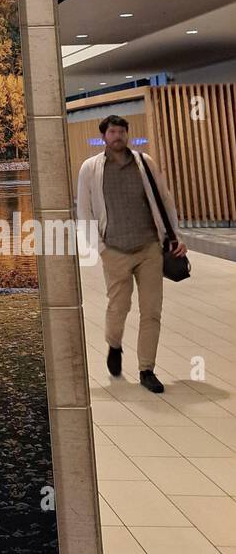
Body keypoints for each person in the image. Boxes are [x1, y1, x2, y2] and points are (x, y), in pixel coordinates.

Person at [76, 115, 187, 394]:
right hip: (114, 250)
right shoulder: (90, 169)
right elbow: (85, 211)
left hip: (149, 247)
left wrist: (176, 236)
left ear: (127, 134)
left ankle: (146, 369)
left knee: (151, 310)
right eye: (112, 132)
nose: (117, 136)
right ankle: (114, 344)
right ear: (104, 136)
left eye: (122, 131)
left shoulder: (144, 163)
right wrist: (98, 247)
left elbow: (165, 199)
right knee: (119, 306)